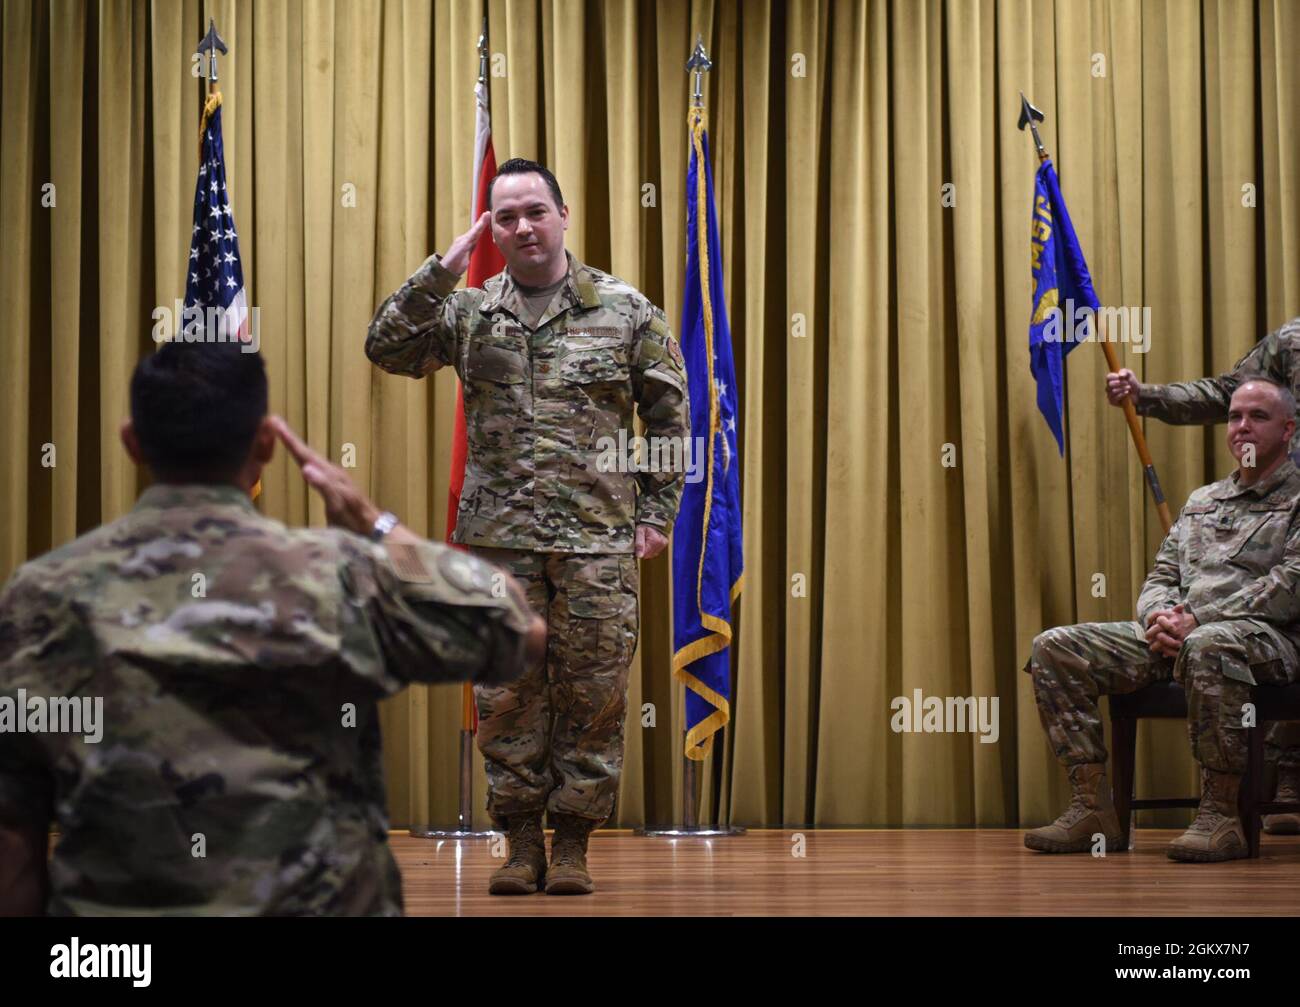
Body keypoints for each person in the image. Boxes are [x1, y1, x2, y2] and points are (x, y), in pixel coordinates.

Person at [0, 340, 544, 916]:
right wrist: (375, 523)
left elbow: (13, 831)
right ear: (266, 443)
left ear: (132, 443)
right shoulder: (334, 573)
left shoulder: (44, 592)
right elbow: (517, 627)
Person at [366, 157, 690, 895]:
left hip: (597, 543)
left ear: (563, 214)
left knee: (595, 692)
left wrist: (657, 512)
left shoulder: (625, 309)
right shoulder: (470, 310)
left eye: (534, 211)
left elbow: (670, 415)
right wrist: (440, 270)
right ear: (492, 227)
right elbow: (386, 348)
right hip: (500, 543)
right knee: (506, 695)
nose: (522, 227)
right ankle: (519, 843)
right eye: (505, 217)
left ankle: (571, 843)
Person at [1024, 378, 1300, 862]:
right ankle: (1092, 808)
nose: (1241, 427)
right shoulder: (1203, 501)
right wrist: (1157, 615)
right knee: (1056, 645)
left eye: (1258, 416)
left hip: (1267, 641)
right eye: (1234, 416)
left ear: (1289, 429)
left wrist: (1198, 618)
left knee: (1210, 644)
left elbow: (1289, 584)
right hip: (1183, 635)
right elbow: (1162, 574)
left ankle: (1222, 815)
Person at [1107, 314, 1300, 833]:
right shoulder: (1292, 341)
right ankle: (1280, 782)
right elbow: (1226, 394)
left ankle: (1285, 775)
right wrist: (1146, 396)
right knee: (1267, 609)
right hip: (1280, 502)